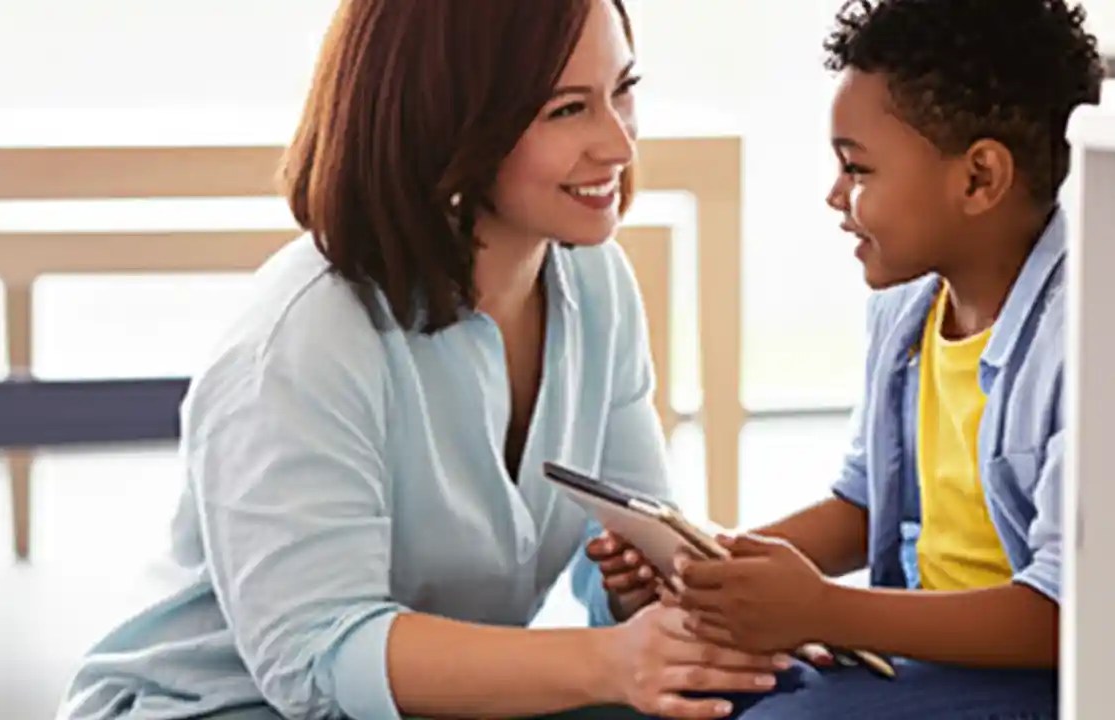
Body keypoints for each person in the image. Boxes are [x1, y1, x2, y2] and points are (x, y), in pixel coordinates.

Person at [56, 1, 787, 718]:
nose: (619, 145)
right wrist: (611, 663)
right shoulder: (303, 342)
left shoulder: (595, 282)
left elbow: (633, 537)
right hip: (218, 704)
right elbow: (317, 660)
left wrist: (645, 595)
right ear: (454, 120)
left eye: (623, 92)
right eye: (567, 110)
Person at [670, 0, 1105, 717]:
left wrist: (823, 609)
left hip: (1033, 682)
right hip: (907, 651)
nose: (835, 195)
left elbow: (1061, 613)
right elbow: (862, 504)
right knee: (682, 675)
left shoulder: (1085, 336)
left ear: (978, 180)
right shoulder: (908, 312)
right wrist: (711, 565)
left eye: (857, 168)